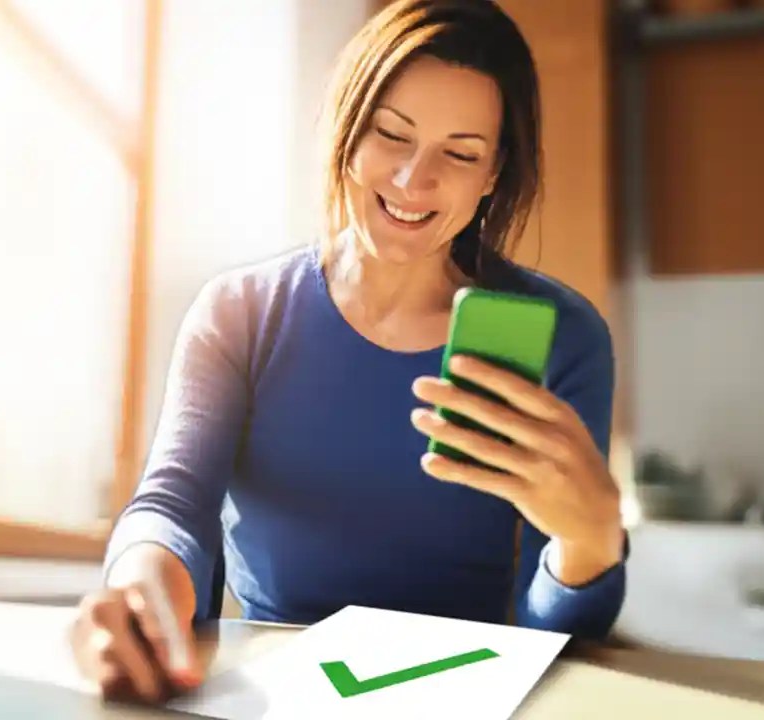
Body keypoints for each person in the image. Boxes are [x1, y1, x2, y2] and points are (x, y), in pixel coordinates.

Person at [70, 0, 627, 705]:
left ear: (494, 174)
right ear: (347, 125)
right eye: (392, 135)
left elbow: (560, 648)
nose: (412, 180)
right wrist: (137, 586)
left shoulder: (564, 337)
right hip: (272, 694)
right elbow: (173, 509)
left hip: (466, 699)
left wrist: (587, 552)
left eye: (460, 153)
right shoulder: (241, 313)